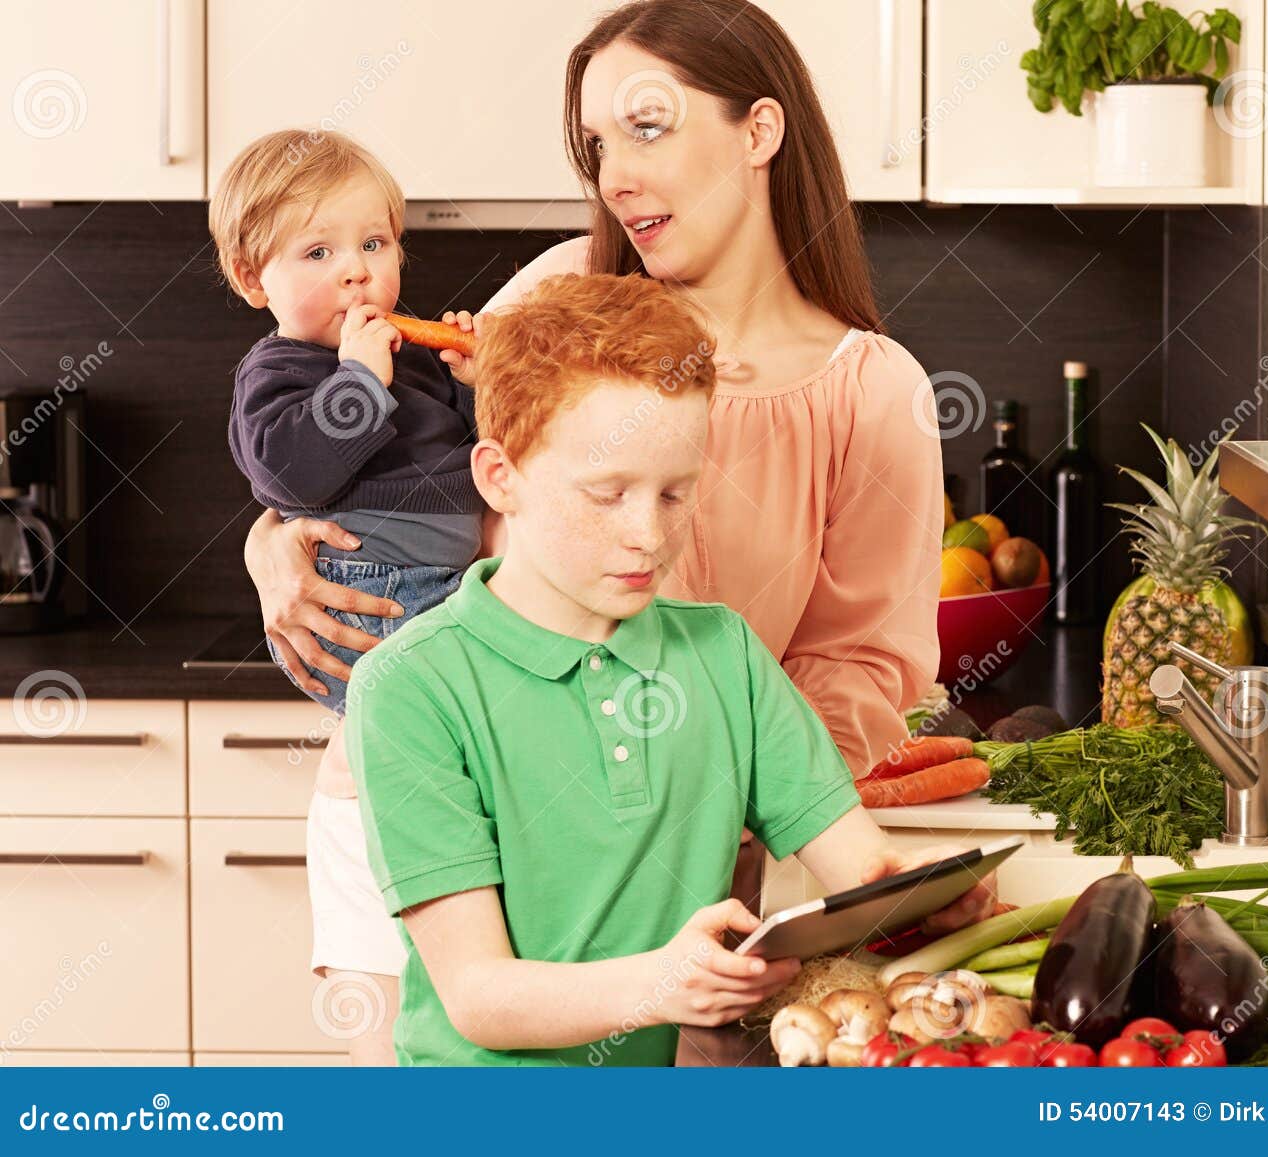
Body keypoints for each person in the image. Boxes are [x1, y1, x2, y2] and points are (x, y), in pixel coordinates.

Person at [241, 0, 948, 1062]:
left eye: (645, 126)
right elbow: (391, 451)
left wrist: (737, 803)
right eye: (595, 144)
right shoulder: (558, 292)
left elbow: (863, 664)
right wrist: (271, 538)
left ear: (758, 132)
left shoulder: (869, 387)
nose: (612, 172)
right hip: (435, 804)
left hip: (675, 854)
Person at [347, 272, 988, 1065]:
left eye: (677, 493)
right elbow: (479, 994)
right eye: (607, 494)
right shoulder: (412, 686)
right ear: (498, 476)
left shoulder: (722, 653)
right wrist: (657, 984)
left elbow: (860, 865)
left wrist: (924, 896)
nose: (647, 535)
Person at [211, 127, 483, 1063]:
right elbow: (294, 470)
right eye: (318, 253)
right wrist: (357, 379)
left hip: (444, 583)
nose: (358, 274)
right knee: (414, 763)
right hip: (375, 590)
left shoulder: (407, 360)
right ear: (256, 279)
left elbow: (477, 463)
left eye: (375, 244)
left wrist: (482, 388)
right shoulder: (278, 372)